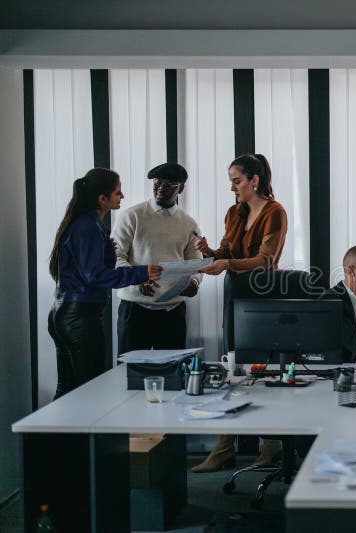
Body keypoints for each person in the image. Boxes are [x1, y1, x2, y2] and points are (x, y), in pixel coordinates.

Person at [192, 154, 288, 474]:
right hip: (234, 293)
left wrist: (227, 263)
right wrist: (211, 253)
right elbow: (227, 252)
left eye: (236, 180)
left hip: (262, 296)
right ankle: (224, 447)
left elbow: (265, 261)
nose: (232, 187)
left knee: (261, 369)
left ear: (254, 180)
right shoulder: (234, 212)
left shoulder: (275, 212)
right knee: (232, 367)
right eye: (231, 181)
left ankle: (271, 444)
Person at [47, 168, 162, 399]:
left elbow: (94, 270)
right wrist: (141, 273)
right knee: (86, 392)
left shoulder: (88, 224)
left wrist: (108, 251)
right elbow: (95, 276)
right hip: (79, 318)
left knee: (69, 389)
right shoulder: (87, 226)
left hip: (67, 314)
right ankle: (73, 436)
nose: (122, 196)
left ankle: (61, 436)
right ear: (102, 198)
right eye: (118, 192)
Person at [113, 163, 202, 354]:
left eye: (169, 184)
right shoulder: (131, 216)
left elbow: (195, 262)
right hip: (134, 310)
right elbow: (116, 257)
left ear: (181, 189)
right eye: (157, 182)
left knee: (173, 374)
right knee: (129, 374)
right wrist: (137, 281)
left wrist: (194, 283)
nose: (161, 187)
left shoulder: (188, 223)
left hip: (173, 312)